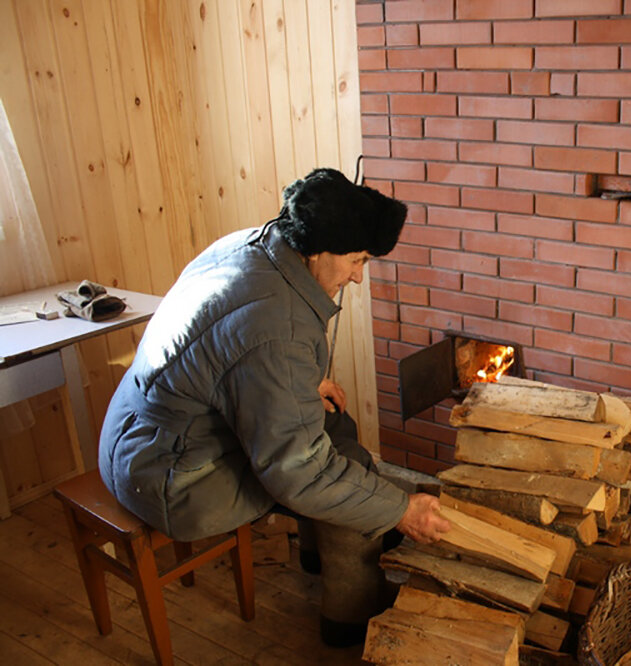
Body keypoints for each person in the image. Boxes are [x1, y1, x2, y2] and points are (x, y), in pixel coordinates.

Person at [98, 167, 450, 646]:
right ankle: (349, 615)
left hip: (134, 433)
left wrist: (301, 383)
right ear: (319, 248)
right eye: (357, 261)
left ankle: (321, 551)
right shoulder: (279, 328)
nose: (358, 278)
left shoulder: (253, 245)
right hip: (171, 479)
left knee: (332, 421)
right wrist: (402, 511)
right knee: (333, 465)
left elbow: (229, 349)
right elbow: (301, 472)